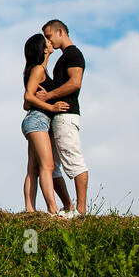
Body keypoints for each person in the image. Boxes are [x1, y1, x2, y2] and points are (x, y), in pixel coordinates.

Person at [36, 18, 89, 217]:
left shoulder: (73, 54)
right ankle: (68, 207)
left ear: (60, 32)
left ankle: (81, 210)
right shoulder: (62, 57)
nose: (48, 41)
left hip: (67, 116)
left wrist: (48, 96)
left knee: (74, 161)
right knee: (53, 166)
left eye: (49, 36)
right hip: (58, 118)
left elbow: (75, 83)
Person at [20, 32, 71, 215]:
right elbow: (27, 97)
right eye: (47, 42)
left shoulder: (38, 70)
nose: (50, 43)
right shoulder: (39, 70)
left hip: (35, 121)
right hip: (38, 121)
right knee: (47, 167)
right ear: (43, 49)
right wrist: (51, 107)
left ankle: (30, 210)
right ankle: (53, 209)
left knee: (33, 169)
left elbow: (27, 102)